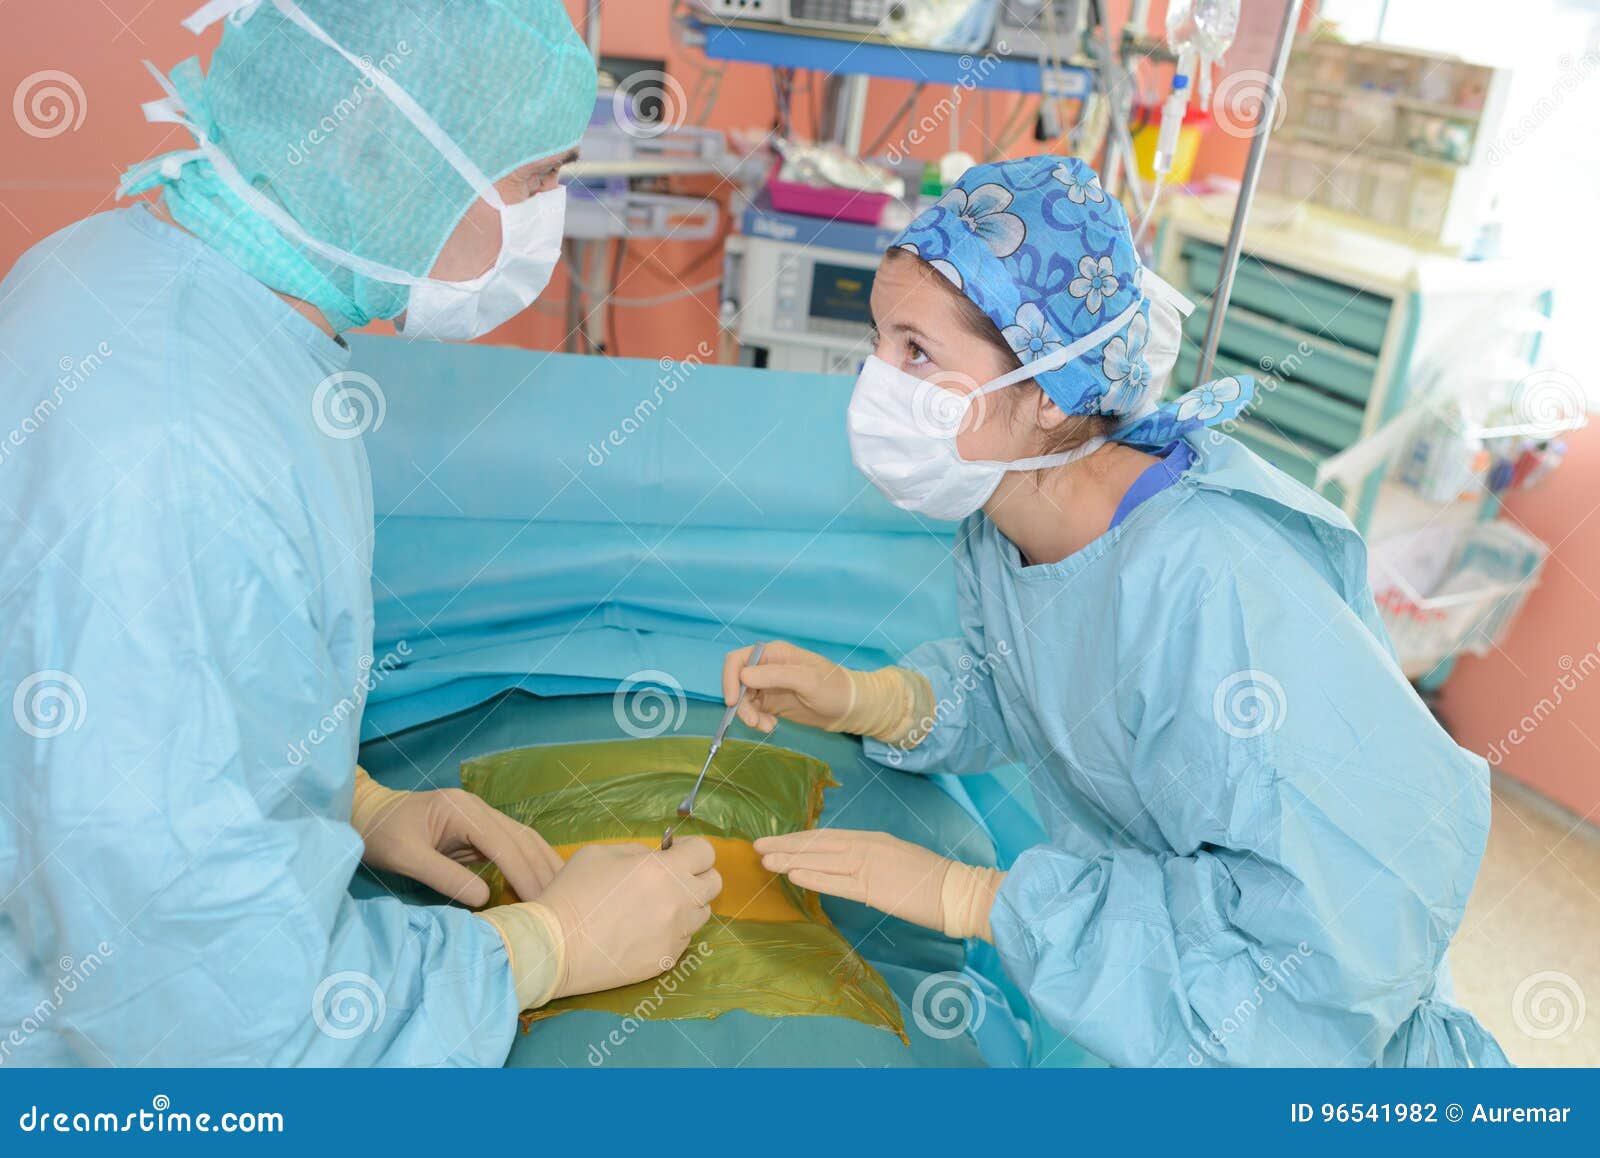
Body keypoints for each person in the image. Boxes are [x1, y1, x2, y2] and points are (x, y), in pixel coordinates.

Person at [0, 0, 717, 1066]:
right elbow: (201, 1025)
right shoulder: (181, 455)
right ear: (391, 157)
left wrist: (353, 804)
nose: (547, 215)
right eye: (535, 179)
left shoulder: (115, 266)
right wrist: (545, 947)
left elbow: (137, 737)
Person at [723, 155, 1507, 1067]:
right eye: (878, 342)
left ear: (1050, 394)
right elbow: (1033, 685)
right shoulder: (1008, 512)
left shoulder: (1220, 590)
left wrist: (977, 899)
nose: (877, 383)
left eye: (917, 353)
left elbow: (1327, 963)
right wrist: (872, 701)